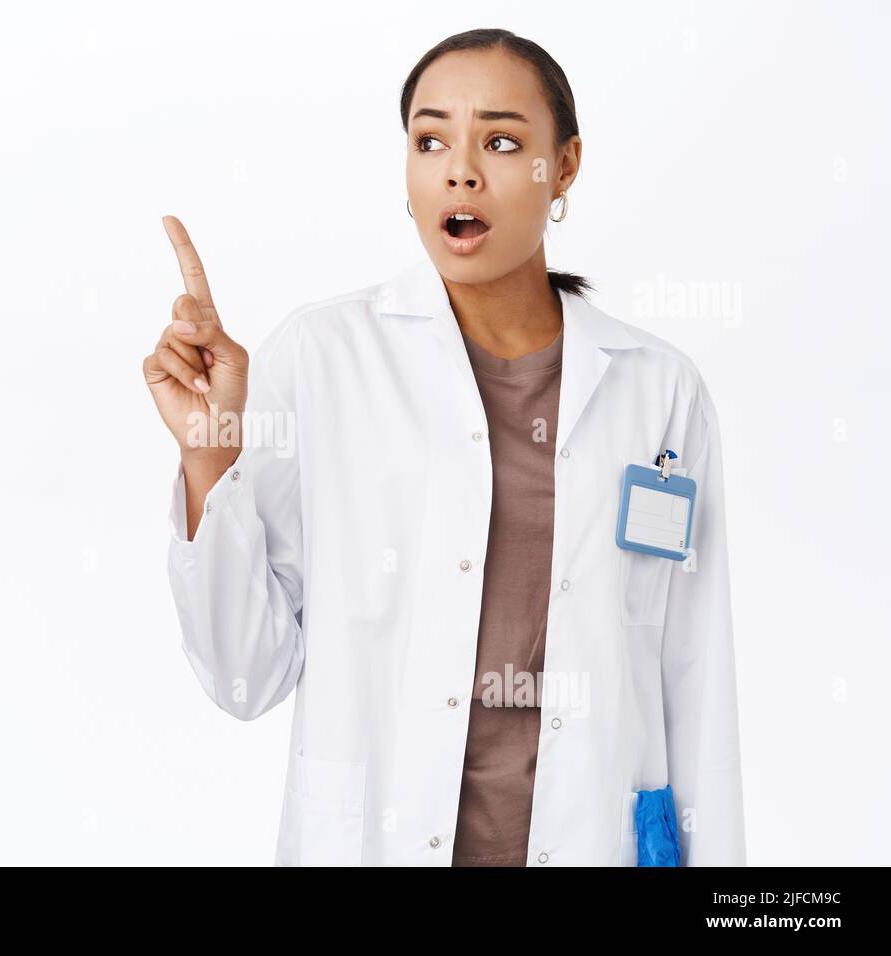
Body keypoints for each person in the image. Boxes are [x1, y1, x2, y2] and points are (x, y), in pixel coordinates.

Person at [142, 27, 745, 867]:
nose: (460, 170)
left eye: (502, 141)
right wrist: (210, 454)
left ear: (563, 167)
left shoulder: (657, 390)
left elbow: (696, 680)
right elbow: (246, 673)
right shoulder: (323, 358)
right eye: (431, 141)